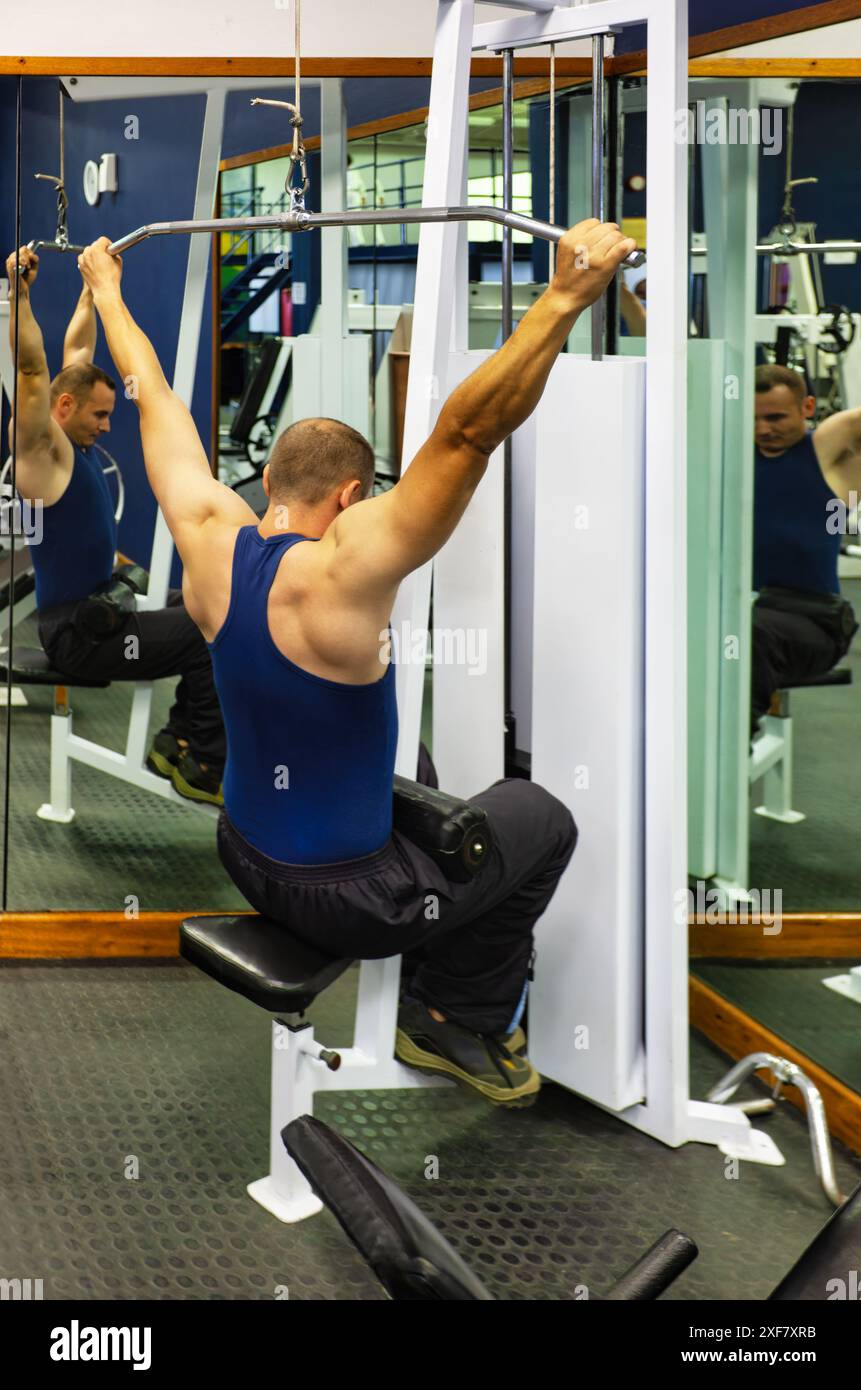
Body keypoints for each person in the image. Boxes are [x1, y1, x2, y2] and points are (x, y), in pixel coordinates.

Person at [76, 217, 637, 1108]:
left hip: (241, 846)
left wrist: (106, 288)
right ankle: (455, 1017)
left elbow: (153, 401)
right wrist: (566, 294)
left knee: (411, 769)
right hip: (344, 899)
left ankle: (436, 969)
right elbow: (463, 437)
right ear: (349, 496)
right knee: (538, 815)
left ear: (268, 484)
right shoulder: (343, 568)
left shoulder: (210, 539)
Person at [5, 246, 227, 804]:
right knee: (208, 635)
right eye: (99, 414)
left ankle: (173, 740)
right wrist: (19, 295)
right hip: (74, 634)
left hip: (100, 608)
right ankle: (203, 762)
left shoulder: (70, 439)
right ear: (62, 406)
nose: (107, 426)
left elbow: (77, 350)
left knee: (212, 600)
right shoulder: (43, 453)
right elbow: (31, 371)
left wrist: (91, 287)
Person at [751, 363, 861, 736]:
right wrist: (623, 302)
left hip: (815, 622)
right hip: (748, 608)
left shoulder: (832, 461)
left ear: (808, 407)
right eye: (753, 419)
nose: (763, 429)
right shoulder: (733, 456)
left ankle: (729, 746)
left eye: (775, 417)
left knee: (749, 635)